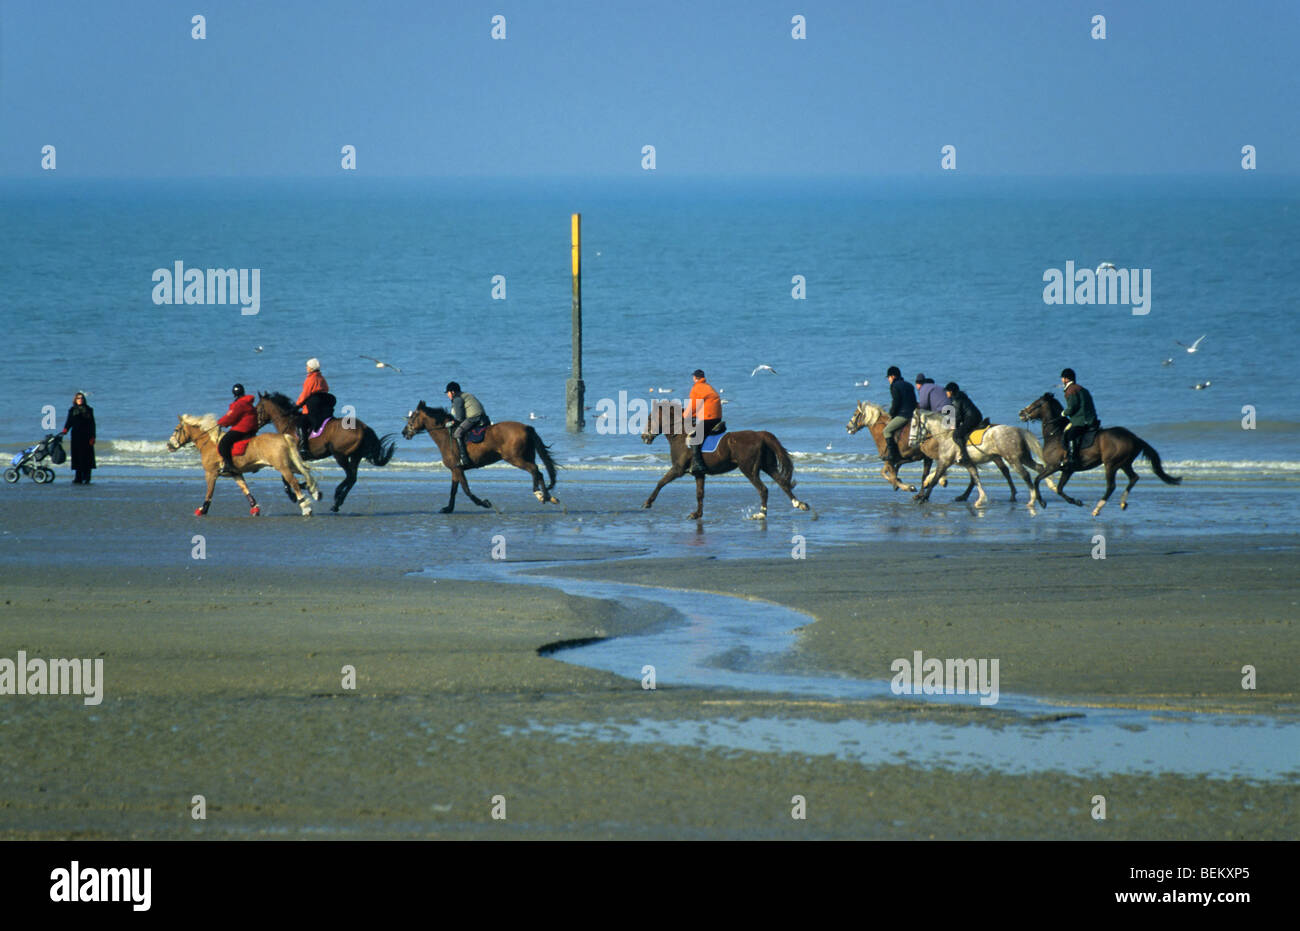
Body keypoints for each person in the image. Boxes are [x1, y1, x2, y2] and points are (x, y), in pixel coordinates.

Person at [684, 369, 722, 475]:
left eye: (693, 377)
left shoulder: (697, 388)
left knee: (694, 438)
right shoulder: (708, 386)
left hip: (709, 418)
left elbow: (694, 405)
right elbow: (703, 406)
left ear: (695, 378)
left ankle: (698, 465)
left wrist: (685, 416)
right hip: (717, 417)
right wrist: (694, 415)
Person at [1060, 368, 1100, 466]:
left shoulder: (1070, 390)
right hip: (1091, 418)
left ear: (1066, 379)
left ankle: (1073, 459)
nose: (1061, 380)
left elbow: (1072, 408)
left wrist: (1063, 413)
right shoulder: (1082, 389)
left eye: (1062, 378)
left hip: (1082, 421)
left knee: (1070, 435)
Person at [217, 383, 258, 477]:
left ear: (234, 393)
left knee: (223, 444)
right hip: (252, 429)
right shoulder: (248, 402)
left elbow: (230, 417)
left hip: (242, 429)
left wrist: (220, 423)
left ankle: (229, 466)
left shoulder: (239, 404)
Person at [445, 381, 490, 468]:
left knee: (457, 433)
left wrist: (450, 423)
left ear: (452, 392)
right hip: (482, 416)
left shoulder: (457, 399)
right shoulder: (466, 395)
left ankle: (464, 459)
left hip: (474, 418)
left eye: (448, 393)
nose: (448, 395)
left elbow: (459, 418)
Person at [295, 358, 333, 455]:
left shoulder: (310, 379)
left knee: (300, 423)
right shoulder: (321, 378)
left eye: (307, 366)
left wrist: (297, 405)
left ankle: (304, 447)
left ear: (311, 368)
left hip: (311, 408)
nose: (306, 368)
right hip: (323, 407)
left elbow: (305, 394)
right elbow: (326, 389)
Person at [882, 366, 917, 467]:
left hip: (904, 415)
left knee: (886, 431)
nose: (888, 380)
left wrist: (892, 414)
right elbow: (914, 401)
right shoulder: (909, 385)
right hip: (914, 414)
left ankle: (893, 456)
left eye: (888, 377)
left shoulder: (894, 386)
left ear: (892, 376)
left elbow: (896, 402)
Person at [944, 382, 983, 466]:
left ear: (951, 391)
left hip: (971, 418)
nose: (946, 393)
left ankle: (965, 456)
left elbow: (957, 416)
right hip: (976, 416)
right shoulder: (961, 397)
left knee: (956, 435)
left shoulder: (956, 400)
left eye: (947, 391)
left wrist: (953, 426)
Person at [61, 391, 96, 484]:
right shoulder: (72, 410)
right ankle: (78, 478)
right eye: (78, 398)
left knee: (87, 458)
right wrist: (65, 430)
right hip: (76, 437)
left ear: (84, 400)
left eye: (81, 398)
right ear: (75, 400)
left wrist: (93, 437)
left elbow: (92, 424)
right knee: (77, 457)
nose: (80, 400)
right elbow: (69, 422)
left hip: (87, 437)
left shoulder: (89, 409)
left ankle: (87, 477)